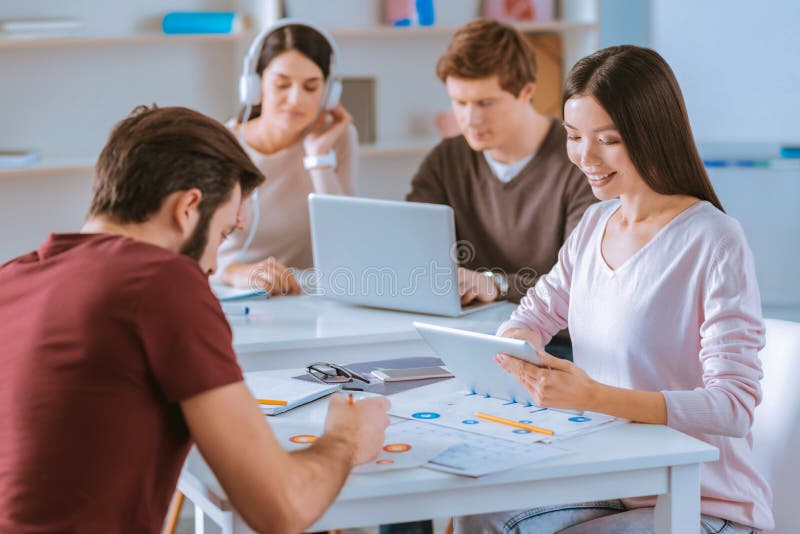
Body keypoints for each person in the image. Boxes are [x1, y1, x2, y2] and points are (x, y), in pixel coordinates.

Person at [0, 105, 389, 533]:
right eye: (224, 235)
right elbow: (283, 507)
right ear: (187, 208)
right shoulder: (162, 280)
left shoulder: (13, 278)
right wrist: (347, 438)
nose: (211, 266)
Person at [456, 45, 772, 533]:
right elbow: (536, 313)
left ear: (653, 134)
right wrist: (512, 350)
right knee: (476, 513)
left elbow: (733, 406)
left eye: (608, 139)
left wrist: (593, 397)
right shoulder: (596, 222)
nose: (585, 157)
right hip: (611, 478)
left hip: (700, 500)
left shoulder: (713, 239)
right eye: (573, 136)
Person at [407, 18, 596, 308]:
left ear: (527, 91)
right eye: (460, 102)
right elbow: (411, 248)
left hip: (551, 338)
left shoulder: (581, 160)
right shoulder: (446, 159)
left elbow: (581, 280)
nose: (470, 120)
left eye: (486, 103)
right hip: (465, 327)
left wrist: (496, 283)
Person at [217, 21, 358, 296]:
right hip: (233, 291)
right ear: (255, 87)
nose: (295, 99)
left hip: (307, 295)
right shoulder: (221, 143)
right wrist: (233, 272)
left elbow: (347, 239)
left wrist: (318, 158)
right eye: (282, 84)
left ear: (329, 93)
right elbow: (190, 246)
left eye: (311, 87)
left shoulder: (338, 139)